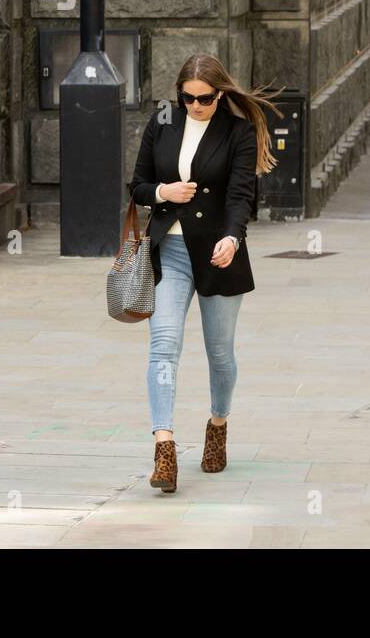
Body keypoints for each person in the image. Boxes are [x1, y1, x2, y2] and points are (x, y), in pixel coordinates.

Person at [127, 53, 278, 494]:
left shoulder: (238, 131)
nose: (195, 106)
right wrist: (162, 191)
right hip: (169, 250)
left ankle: (217, 424)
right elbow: (136, 184)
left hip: (217, 253)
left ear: (220, 94)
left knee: (220, 353)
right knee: (163, 345)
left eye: (205, 99)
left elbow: (240, 196)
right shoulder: (162, 122)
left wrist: (232, 239)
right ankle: (165, 446)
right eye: (187, 98)